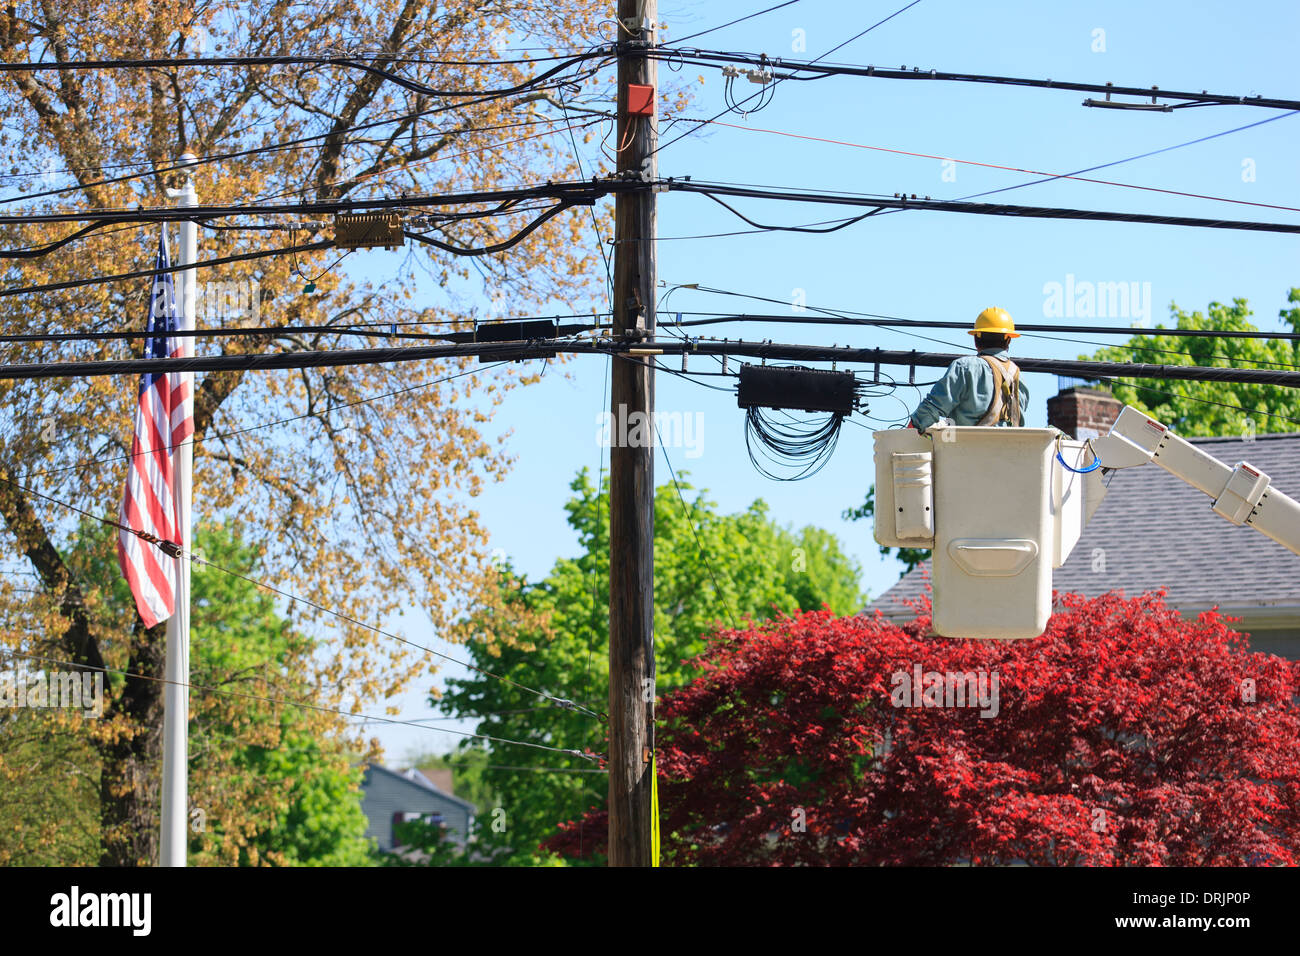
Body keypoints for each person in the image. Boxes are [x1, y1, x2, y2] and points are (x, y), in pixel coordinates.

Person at [909, 307, 1030, 431]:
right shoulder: (1019, 378)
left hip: (965, 448)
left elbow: (933, 407)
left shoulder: (964, 367)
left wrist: (913, 427)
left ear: (976, 339)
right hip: (1010, 448)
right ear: (1008, 340)